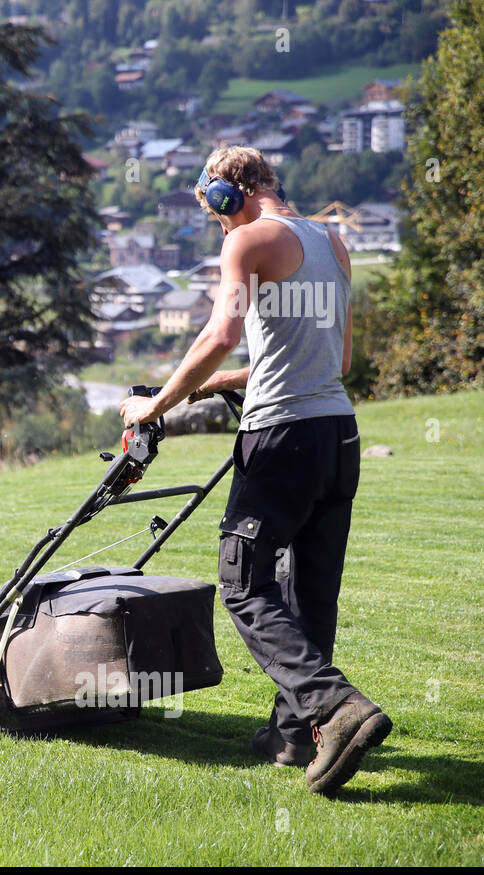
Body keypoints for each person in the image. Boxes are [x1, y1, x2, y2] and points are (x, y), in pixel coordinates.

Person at [117, 145, 391, 797]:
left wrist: (155, 404)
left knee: (241, 581)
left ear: (224, 196)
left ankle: (336, 707)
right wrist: (221, 386)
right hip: (337, 435)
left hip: (281, 439)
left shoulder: (246, 243)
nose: (218, 228)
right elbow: (337, 356)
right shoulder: (331, 241)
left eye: (215, 214)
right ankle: (297, 737)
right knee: (309, 594)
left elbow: (217, 335)